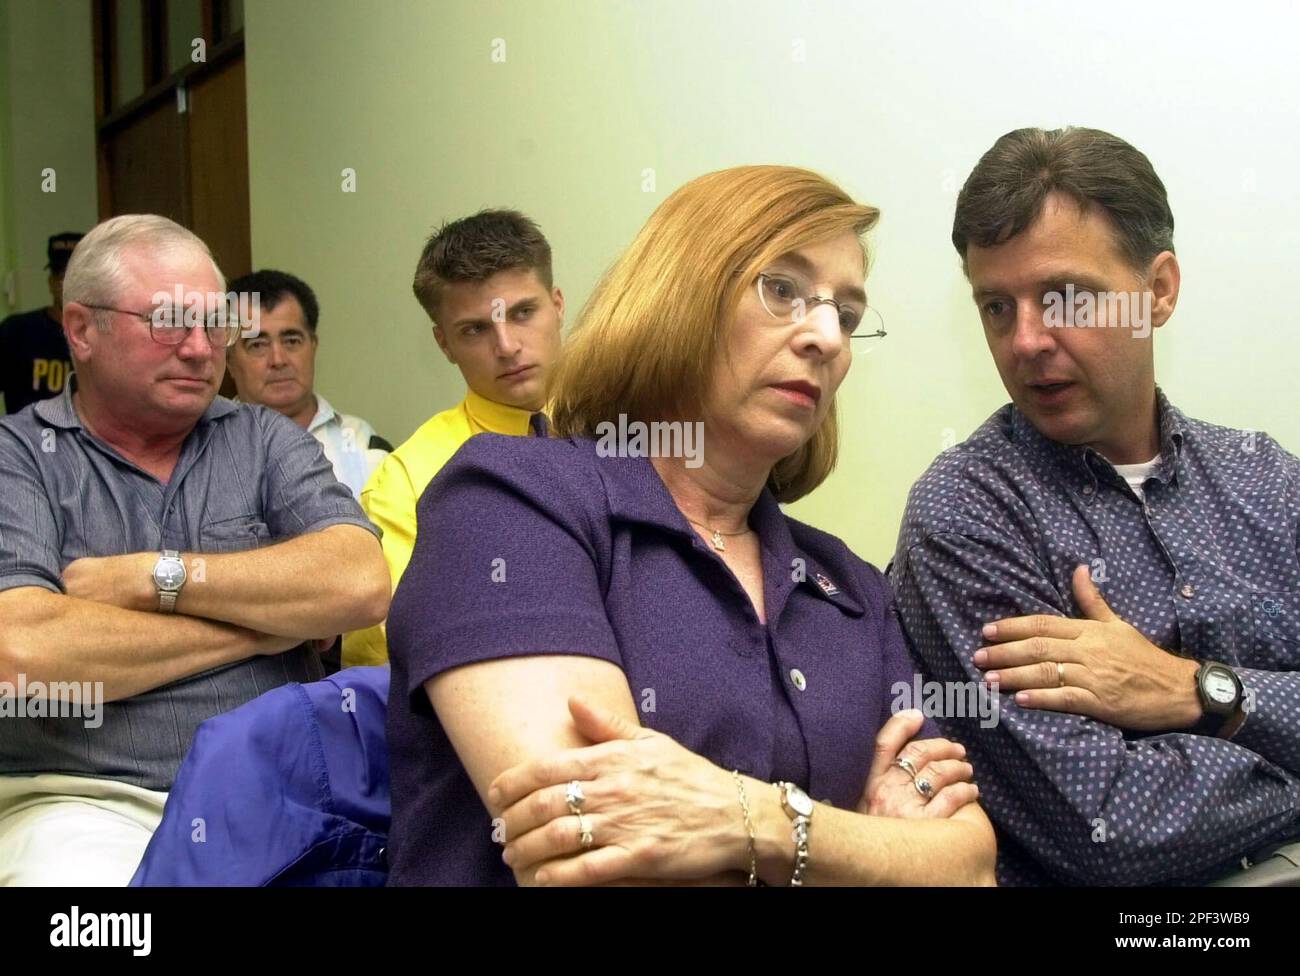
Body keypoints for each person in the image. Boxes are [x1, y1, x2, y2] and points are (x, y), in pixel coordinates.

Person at [385, 166, 997, 886]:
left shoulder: (851, 586)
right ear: (679, 296)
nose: (829, 337)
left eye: (850, 315)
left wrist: (751, 821)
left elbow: (968, 866)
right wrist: (861, 845)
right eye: (783, 291)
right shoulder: (509, 502)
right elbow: (593, 855)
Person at [891, 127, 1300, 885]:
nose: (1027, 341)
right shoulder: (968, 514)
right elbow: (1106, 829)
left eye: (1064, 298)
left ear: (1159, 291)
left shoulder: (1268, 481)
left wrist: (1193, 691)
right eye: (995, 308)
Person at [0, 214, 390, 885]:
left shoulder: (264, 438)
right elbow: (23, 657)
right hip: (88, 800)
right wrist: (263, 627)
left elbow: (358, 581)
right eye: (169, 322)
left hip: (283, 785)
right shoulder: (17, 455)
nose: (200, 348)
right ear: (81, 329)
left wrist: (155, 577)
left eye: (215, 324)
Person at [342, 210, 563, 667]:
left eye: (523, 313)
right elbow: (390, 659)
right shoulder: (406, 482)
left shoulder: (630, 426)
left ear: (557, 305)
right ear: (444, 344)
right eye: (476, 329)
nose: (506, 346)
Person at [225, 269, 392, 499]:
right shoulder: (206, 451)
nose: (278, 360)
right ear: (228, 360)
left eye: (292, 341)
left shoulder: (365, 444)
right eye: (257, 345)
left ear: (313, 346)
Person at [0, 232, 81, 414]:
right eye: (59, 275)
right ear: (51, 282)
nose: (65, 283)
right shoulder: (15, 332)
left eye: (74, 275)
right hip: (26, 440)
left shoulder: (103, 335)